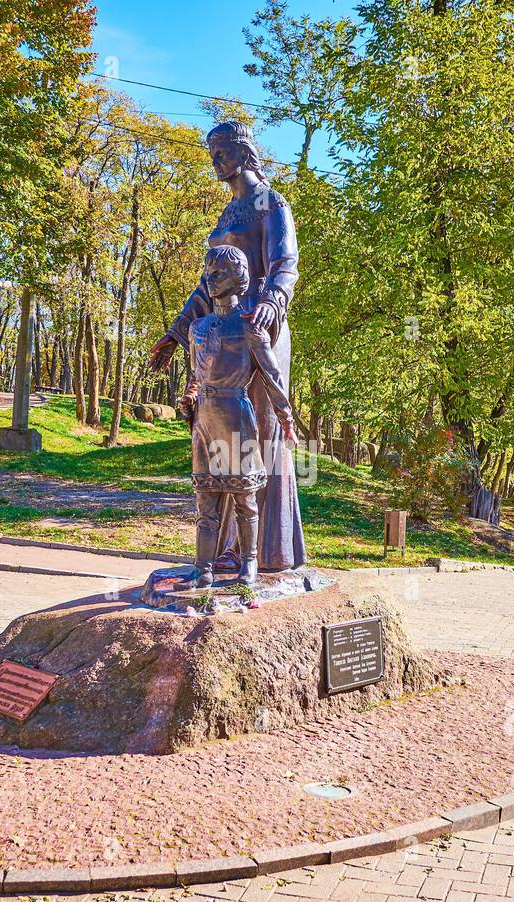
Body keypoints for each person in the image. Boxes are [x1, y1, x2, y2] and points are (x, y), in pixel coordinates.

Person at [149, 120, 306, 571]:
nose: (215, 160)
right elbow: (208, 284)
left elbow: (285, 266)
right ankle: (222, 551)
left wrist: (273, 303)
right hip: (222, 329)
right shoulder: (226, 214)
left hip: (261, 330)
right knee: (222, 438)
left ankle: (264, 553)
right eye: (211, 153)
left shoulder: (270, 203)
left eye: (221, 151)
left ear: (242, 151)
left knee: (256, 438)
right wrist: (177, 334)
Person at [181, 246, 297, 587]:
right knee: (206, 499)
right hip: (206, 420)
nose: (209, 278)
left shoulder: (250, 329)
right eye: (207, 271)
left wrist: (286, 420)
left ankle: (249, 564)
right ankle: (202, 569)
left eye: (217, 273)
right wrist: (190, 396)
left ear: (238, 279)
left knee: (244, 498)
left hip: (236, 416)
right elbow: (196, 373)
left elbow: (273, 378)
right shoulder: (197, 328)